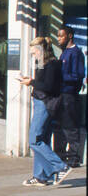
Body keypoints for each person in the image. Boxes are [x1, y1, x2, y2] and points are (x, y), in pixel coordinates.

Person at [17, 37, 72, 187]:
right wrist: (31, 80)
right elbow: (43, 82)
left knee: (35, 140)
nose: (33, 55)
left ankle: (60, 166)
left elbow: (48, 86)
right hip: (41, 102)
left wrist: (31, 82)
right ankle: (41, 176)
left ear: (41, 50)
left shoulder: (52, 64)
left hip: (45, 104)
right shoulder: (43, 63)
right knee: (43, 139)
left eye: (34, 52)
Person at [54, 26, 84, 167]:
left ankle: (74, 157)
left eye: (61, 36)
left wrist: (60, 77)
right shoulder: (64, 53)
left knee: (70, 127)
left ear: (70, 36)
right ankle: (60, 155)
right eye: (58, 36)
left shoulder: (76, 53)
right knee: (59, 127)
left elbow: (77, 75)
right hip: (61, 95)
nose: (59, 39)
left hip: (70, 95)